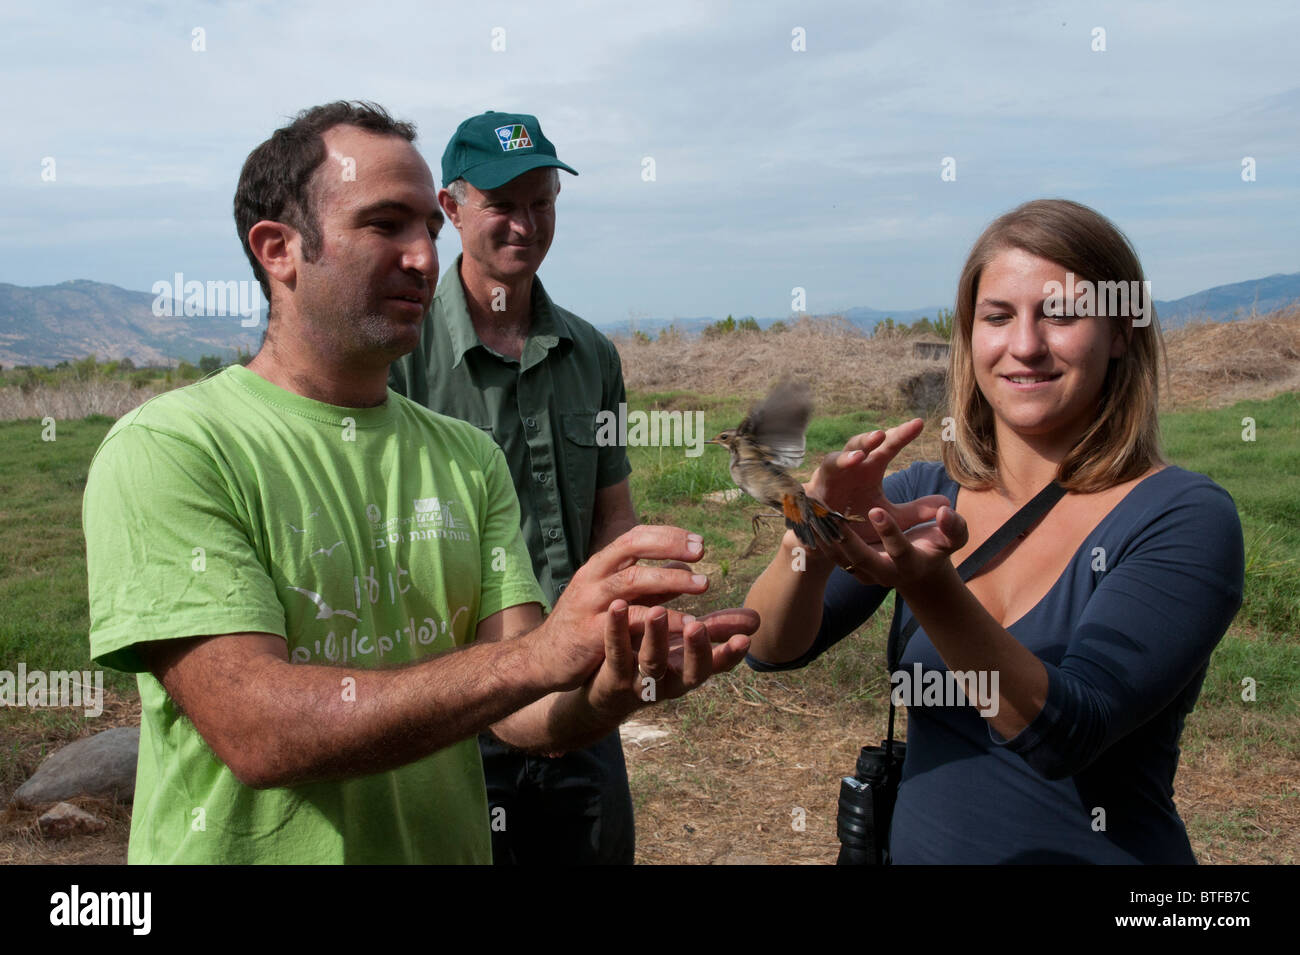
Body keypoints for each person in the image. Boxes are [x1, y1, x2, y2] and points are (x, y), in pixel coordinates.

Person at [82, 101, 756, 864]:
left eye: (426, 233)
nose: (424, 258)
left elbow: (522, 714)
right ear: (278, 248)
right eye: (385, 225)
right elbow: (258, 732)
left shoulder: (469, 458)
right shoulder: (171, 450)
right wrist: (535, 658)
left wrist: (610, 688)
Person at [743, 199, 1244, 864]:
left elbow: (1063, 733)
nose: (1026, 344)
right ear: (969, 336)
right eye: (998, 316)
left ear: (1122, 331)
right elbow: (772, 648)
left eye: (1062, 314)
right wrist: (809, 528)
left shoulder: (1182, 516)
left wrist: (932, 589)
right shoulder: (924, 492)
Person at [389, 111, 643, 864]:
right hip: (451, 706)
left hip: (577, 695)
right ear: (452, 209)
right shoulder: (402, 355)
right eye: (503, 205)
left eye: (543, 203)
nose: (526, 225)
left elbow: (613, 514)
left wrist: (617, 634)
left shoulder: (590, 354)